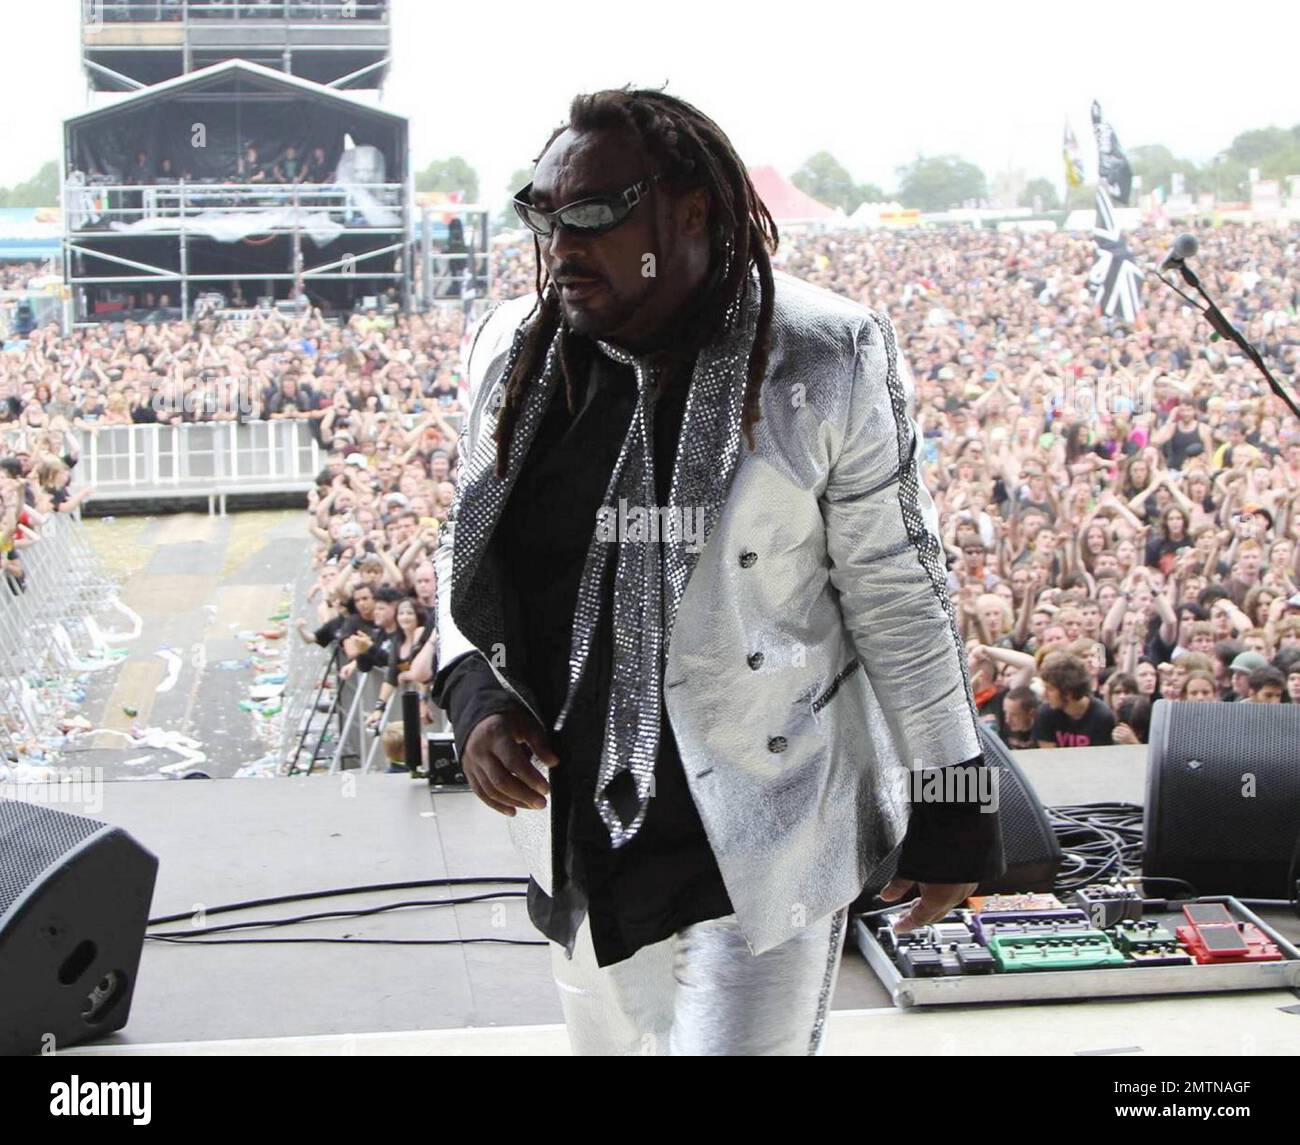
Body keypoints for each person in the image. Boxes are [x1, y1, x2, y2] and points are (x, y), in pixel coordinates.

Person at [431, 88, 1003, 1057]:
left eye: (597, 213)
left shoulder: (823, 356)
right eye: (544, 211)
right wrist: (475, 690)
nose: (562, 242)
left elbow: (901, 592)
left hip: (760, 827)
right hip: (577, 829)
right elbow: (464, 550)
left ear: (691, 211)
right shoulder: (510, 348)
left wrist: (954, 801)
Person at [1032, 653, 1117, 748]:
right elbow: (1048, 757)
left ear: (1068, 692)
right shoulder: (1045, 714)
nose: (1045, 695)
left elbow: (1100, 758)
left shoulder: (1102, 717)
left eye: (1050, 689)